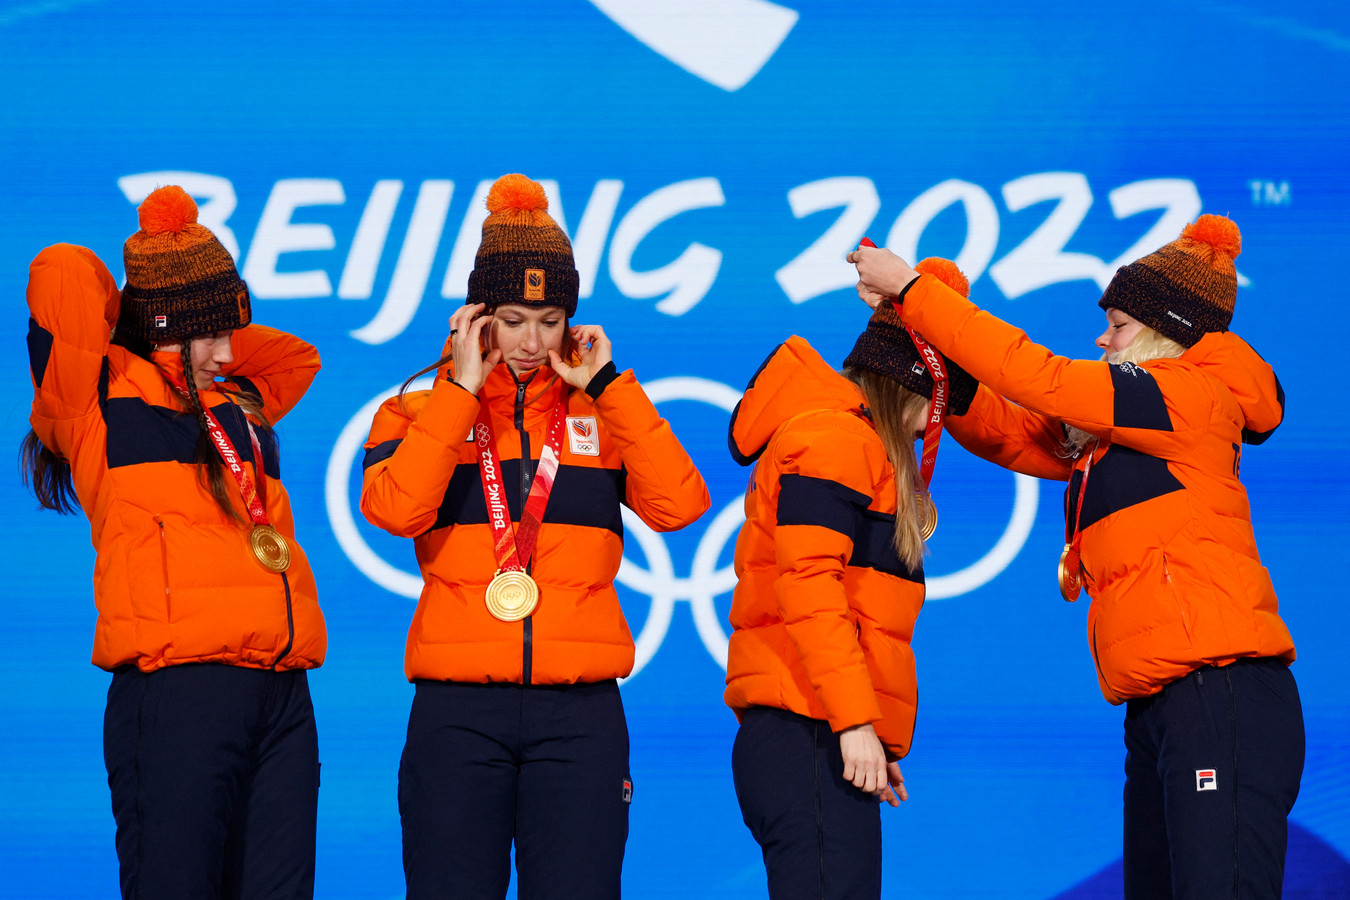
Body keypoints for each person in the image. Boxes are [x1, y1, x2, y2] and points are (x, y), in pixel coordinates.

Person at [850, 215, 1302, 899]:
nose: (1101, 338)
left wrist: (916, 290)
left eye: (1117, 325)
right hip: (1161, 705)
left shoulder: (1189, 396)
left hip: (1221, 693)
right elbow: (1012, 431)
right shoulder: (1123, 429)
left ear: (1164, 332)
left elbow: (1045, 380)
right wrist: (922, 350)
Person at [360, 173, 710, 900]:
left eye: (549, 319)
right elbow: (393, 512)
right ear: (476, 317)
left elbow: (680, 504)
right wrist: (458, 394)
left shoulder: (602, 413)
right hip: (458, 713)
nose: (529, 341)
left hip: (579, 714)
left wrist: (611, 387)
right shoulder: (417, 413)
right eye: (513, 318)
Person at [21, 185, 326, 899]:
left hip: (280, 693)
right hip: (175, 688)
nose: (227, 352)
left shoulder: (239, 401)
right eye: (210, 333)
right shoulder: (93, 400)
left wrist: (209, 320)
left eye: (231, 331)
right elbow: (62, 270)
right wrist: (149, 314)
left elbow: (298, 358)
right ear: (161, 323)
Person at [724, 258, 978, 900]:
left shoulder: (856, 443)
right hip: (807, 733)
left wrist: (869, 732)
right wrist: (854, 725)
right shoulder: (835, 438)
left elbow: (861, 608)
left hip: (818, 735)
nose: (932, 426)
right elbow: (810, 589)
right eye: (935, 406)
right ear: (907, 389)